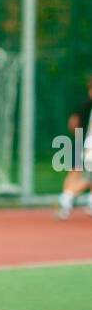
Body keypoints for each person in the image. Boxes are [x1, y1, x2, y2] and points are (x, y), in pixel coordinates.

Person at [56, 74, 92, 218]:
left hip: (82, 142)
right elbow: (74, 122)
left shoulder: (84, 102)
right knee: (84, 176)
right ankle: (67, 197)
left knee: (78, 172)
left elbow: (73, 123)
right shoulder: (86, 103)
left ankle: (68, 201)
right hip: (84, 142)